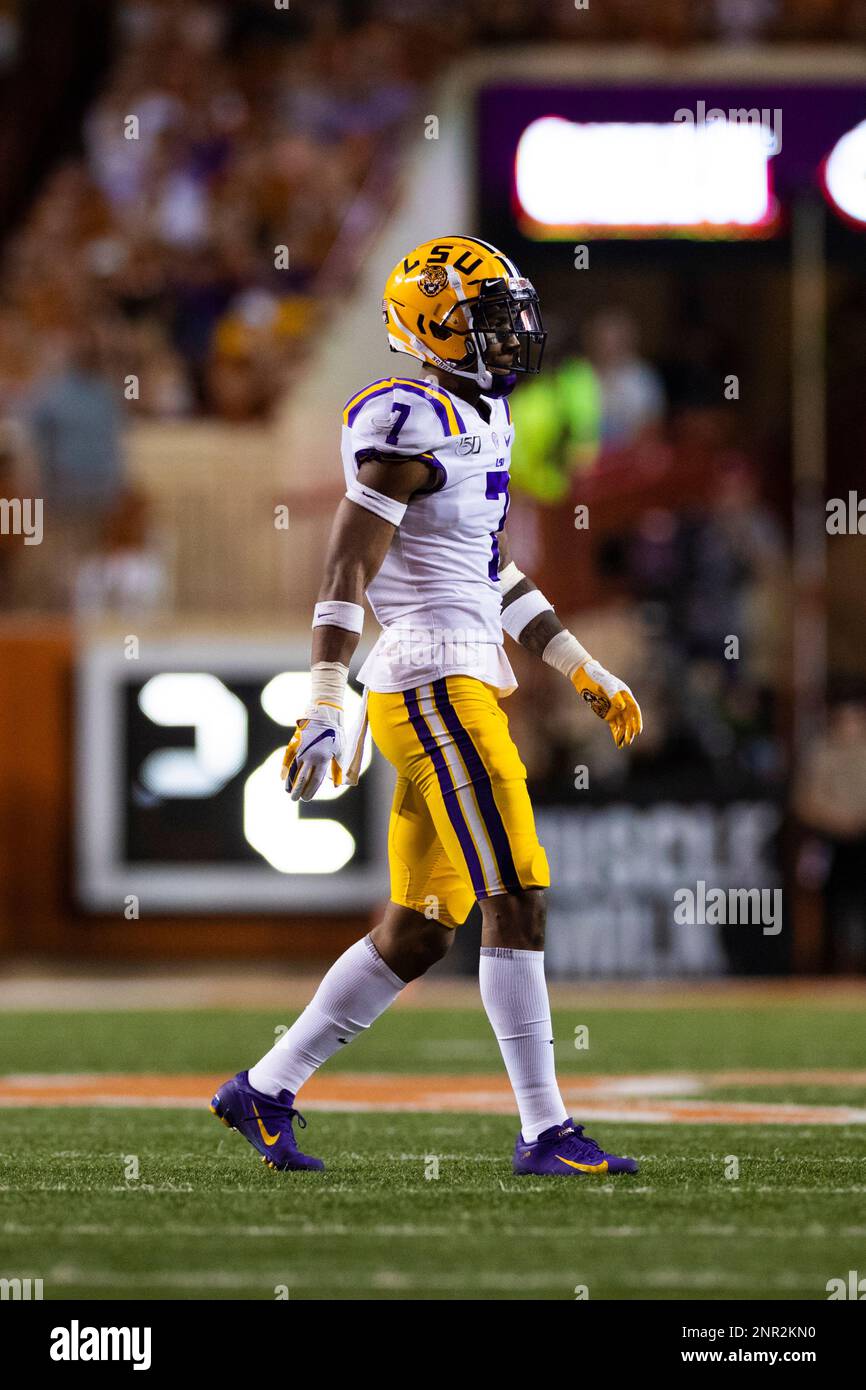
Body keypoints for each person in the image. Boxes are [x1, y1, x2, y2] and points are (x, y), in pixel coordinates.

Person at [211, 236, 642, 1176]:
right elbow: (345, 569)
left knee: (420, 929)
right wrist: (324, 698)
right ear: (429, 329)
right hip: (431, 684)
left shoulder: (485, 416)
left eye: (509, 315)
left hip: (459, 679)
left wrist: (579, 665)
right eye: (485, 319)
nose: (510, 334)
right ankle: (545, 1130)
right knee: (516, 893)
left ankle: (265, 1087)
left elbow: (488, 568)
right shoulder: (407, 423)